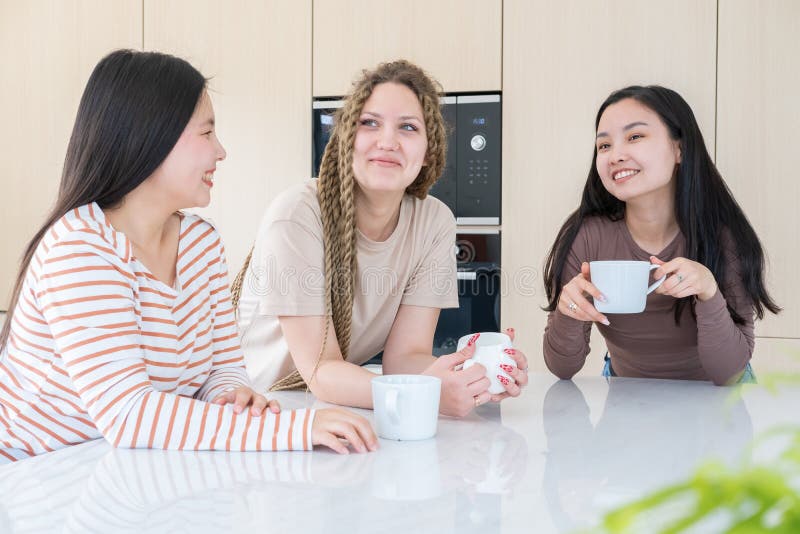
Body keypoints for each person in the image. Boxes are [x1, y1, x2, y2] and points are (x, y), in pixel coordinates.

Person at [0, 49, 376, 462]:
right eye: (206, 133)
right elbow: (128, 413)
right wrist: (290, 427)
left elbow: (224, 369)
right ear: (149, 135)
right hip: (27, 478)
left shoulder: (201, 243)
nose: (220, 151)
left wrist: (233, 397)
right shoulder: (80, 247)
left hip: (116, 469)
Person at [235, 60, 528, 416]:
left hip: (338, 404)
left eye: (407, 127)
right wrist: (425, 396)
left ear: (428, 152)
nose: (387, 141)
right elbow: (319, 370)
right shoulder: (297, 215)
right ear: (346, 140)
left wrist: (473, 375)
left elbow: (405, 359)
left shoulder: (433, 222)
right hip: (256, 409)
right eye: (370, 123)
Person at [542, 85, 780, 386]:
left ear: (679, 148)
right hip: (627, 395)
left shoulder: (722, 238)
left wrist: (708, 291)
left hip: (717, 400)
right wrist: (568, 311)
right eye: (604, 146)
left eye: (635, 137)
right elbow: (562, 368)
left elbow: (729, 373)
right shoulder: (586, 236)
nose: (615, 155)